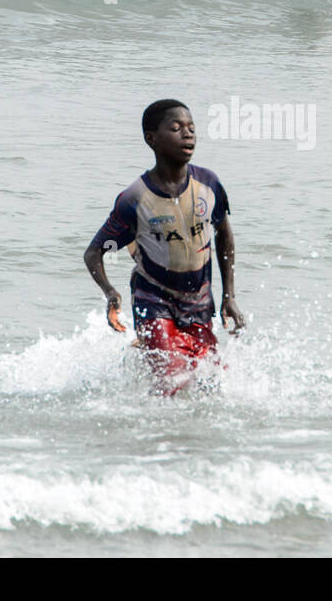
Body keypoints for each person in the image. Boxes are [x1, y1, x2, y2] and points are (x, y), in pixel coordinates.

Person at [84, 99, 245, 395]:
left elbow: (224, 237)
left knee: (212, 384)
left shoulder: (209, 184)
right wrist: (110, 293)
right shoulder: (135, 198)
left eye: (192, 128)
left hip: (199, 303)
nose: (188, 134)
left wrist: (229, 296)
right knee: (170, 381)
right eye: (176, 128)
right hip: (153, 300)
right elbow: (94, 252)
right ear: (151, 139)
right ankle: (156, 437)